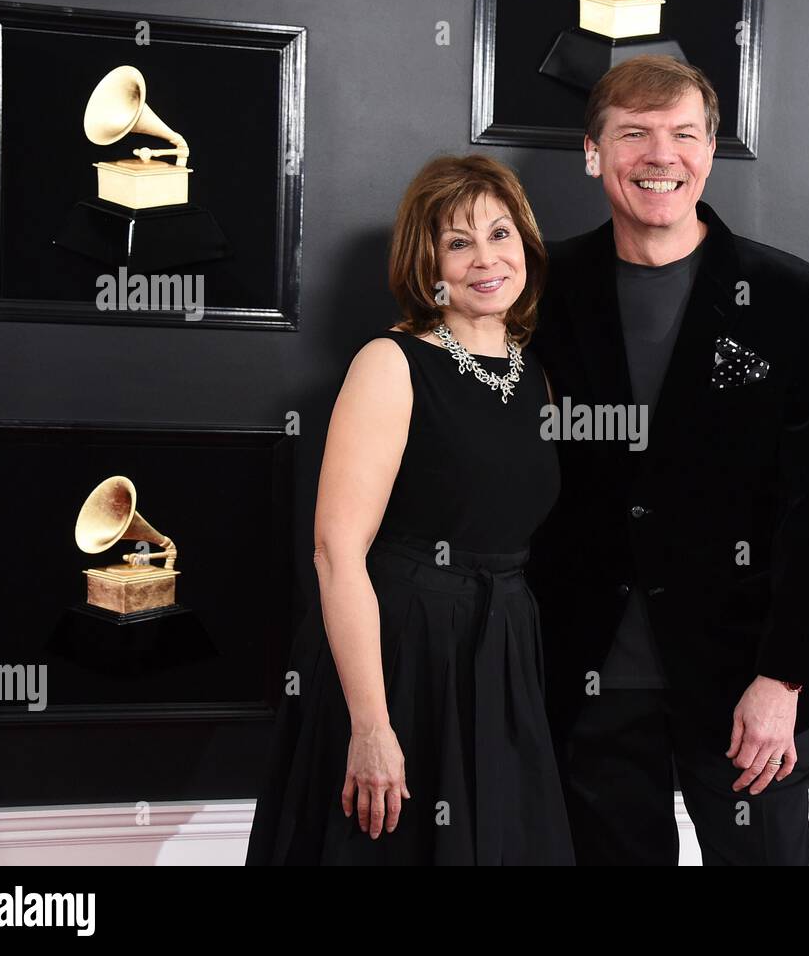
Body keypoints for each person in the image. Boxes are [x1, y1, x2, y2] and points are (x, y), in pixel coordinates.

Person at [529, 55, 809, 866]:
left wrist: (784, 680)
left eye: (683, 133)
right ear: (593, 151)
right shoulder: (539, 287)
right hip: (586, 678)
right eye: (633, 133)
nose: (660, 155)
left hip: (744, 682)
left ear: (710, 150)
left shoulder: (791, 297)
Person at [246, 154, 574, 865]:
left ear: (526, 245)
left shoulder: (536, 375)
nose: (485, 258)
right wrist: (370, 725)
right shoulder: (390, 364)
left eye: (500, 233)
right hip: (399, 657)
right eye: (458, 243)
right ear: (428, 265)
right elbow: (336, 554)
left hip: (503, 653)